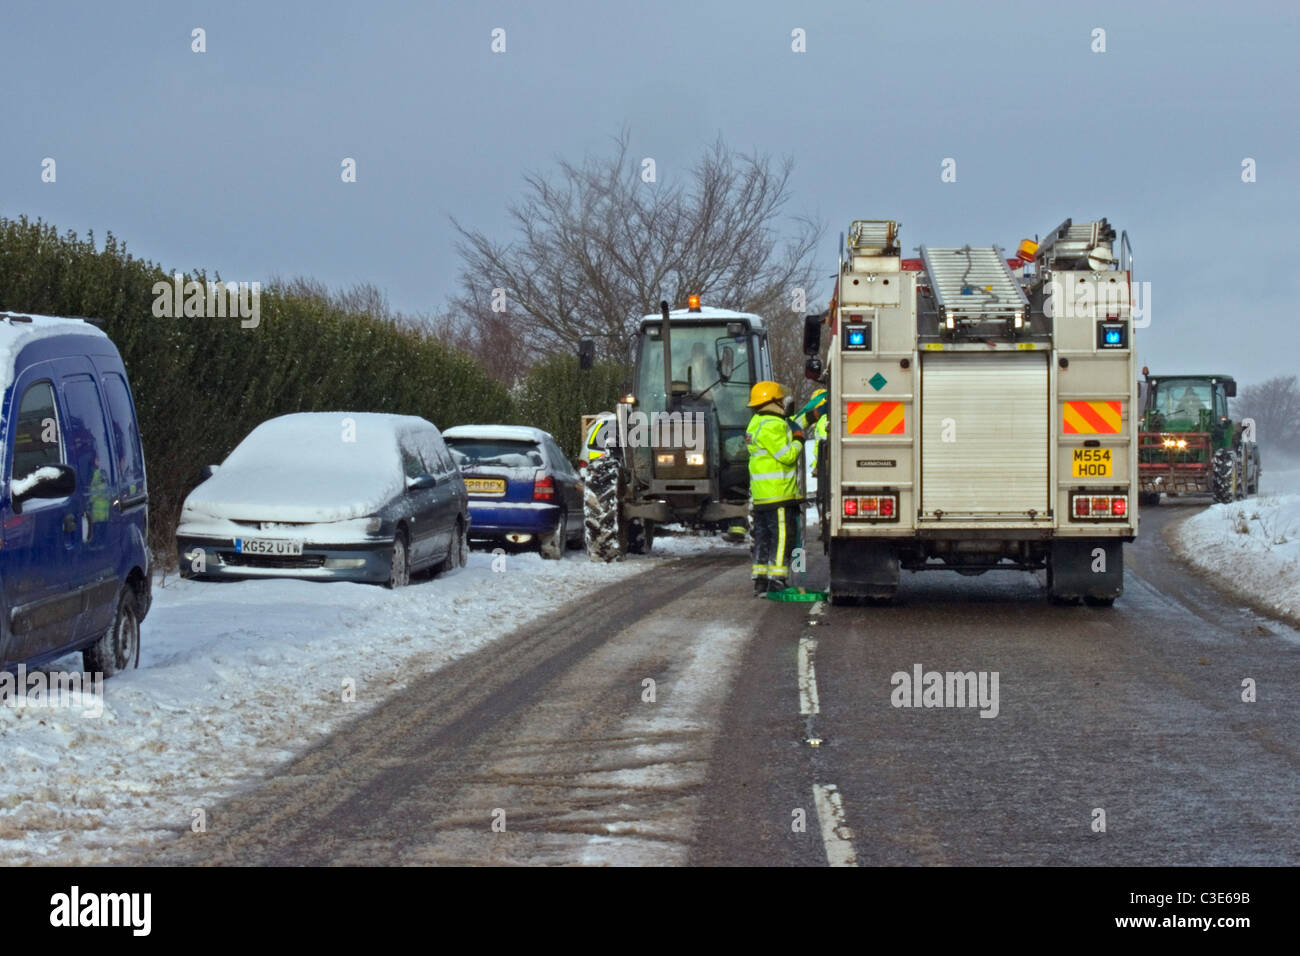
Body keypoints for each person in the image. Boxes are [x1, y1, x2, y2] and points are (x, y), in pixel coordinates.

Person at [745, 380, 803, 595]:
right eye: (780, 400)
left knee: (762, 538)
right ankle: (777, 579)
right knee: (781, 538)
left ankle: (760, 579)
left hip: (761, 495)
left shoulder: (755, 423)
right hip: (778, 494)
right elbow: (787, 456)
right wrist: (798, 440)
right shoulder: (774, 425)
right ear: (773, 401)